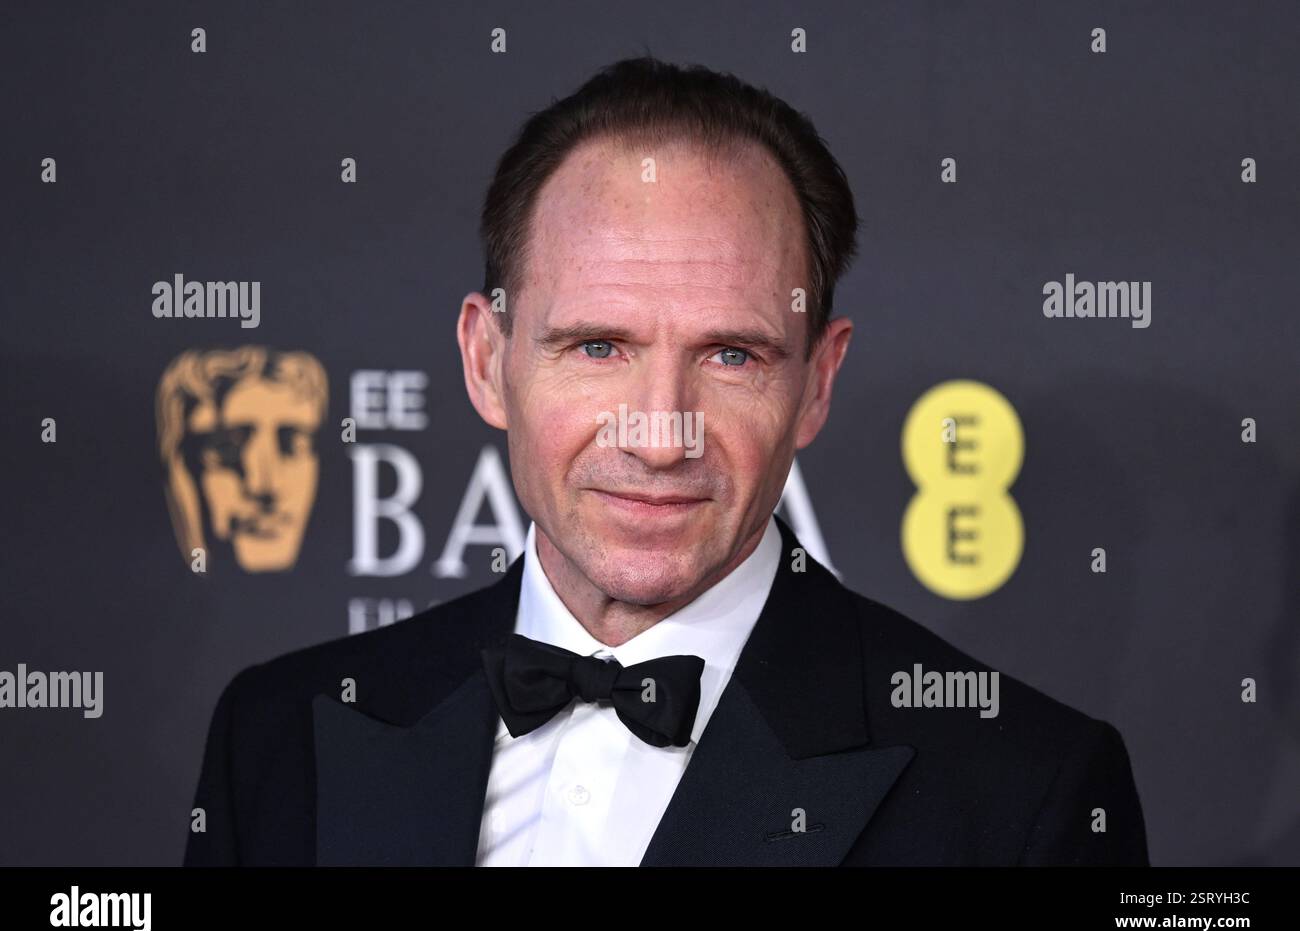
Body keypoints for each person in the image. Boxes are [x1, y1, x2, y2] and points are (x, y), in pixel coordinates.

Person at [184, 56, 1147, 866]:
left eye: (733, 355)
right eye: (598, 347)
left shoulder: (1023, 795)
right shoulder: (279, 738)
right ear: (487, 360)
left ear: (817, 382)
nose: (658, 434)